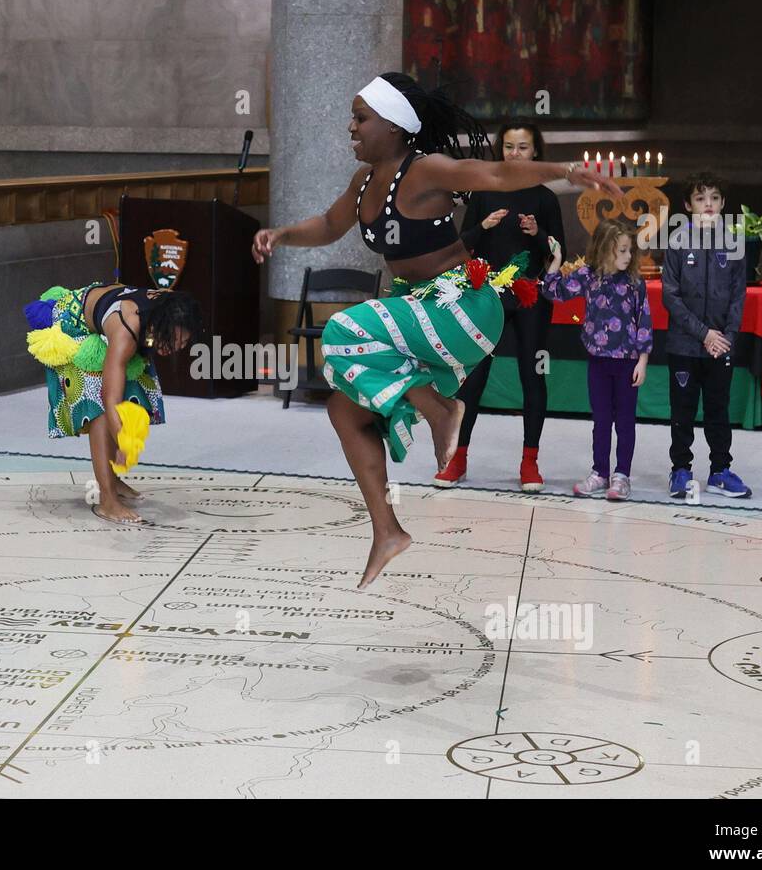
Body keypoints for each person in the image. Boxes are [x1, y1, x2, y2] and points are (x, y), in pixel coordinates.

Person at [251, 72, 622, 587]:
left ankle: (443, 409)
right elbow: (331, 224)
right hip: (418, 315)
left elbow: (491, 175)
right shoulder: (363, 183)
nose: (351, 128)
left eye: (361, 118)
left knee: (339, 331)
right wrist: (282, 234)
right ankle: (387, 530)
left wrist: (566, 171)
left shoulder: (424, 171)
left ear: (395, 126)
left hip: (463, 307)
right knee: (344, 410)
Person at [444, 120, 565, 491]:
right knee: (473, 377)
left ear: (536, 152)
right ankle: (457, 458)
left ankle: (530, 463)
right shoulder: (483, 192)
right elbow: (462, 245)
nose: (515, 153)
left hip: (530, 295)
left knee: (532, 375)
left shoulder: (546, 198)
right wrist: (483, 225)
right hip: (487, 296)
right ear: (501, 151)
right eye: (509, 147)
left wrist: (538, 234)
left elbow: (561, 252)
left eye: (523, 147)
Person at [25, 282, 202, 523]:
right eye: (174, 341)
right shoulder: (125, 330)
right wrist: (124, 441)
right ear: (158, 329)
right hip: (74, 323)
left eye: (182, 343)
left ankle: (113, 481)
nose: (177, 348)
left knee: (134, 393)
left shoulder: (172, 306)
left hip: (109, 312)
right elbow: (109, 399)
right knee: (99, 414)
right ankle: (106, 500)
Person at [542, 219, 652, 500]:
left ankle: (622, 476)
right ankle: (600, 473)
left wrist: (642, 361)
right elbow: (555, 292)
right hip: (598, 362)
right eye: (622, 251)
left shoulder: (635, 284)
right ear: (604, 251)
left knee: (625, 421)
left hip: (627, 363)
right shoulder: (588, 276)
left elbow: (644, 323)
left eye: (630, 251)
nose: (628, 257)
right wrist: (555, 262)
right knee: (601, 420)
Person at [662, 170, 751, 499]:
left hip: (720, 348)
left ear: (723, 203)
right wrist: (704, 334)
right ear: (688, 205)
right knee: (682, 411)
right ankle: (680, 470)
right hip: (684, 346)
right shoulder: (676, 242)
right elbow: (670, 296)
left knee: (718, 409)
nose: (708, 204)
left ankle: (720, 471)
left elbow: (739, 297)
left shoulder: (734, 243)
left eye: (714, 198)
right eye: (701, 199)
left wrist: (724, 338)